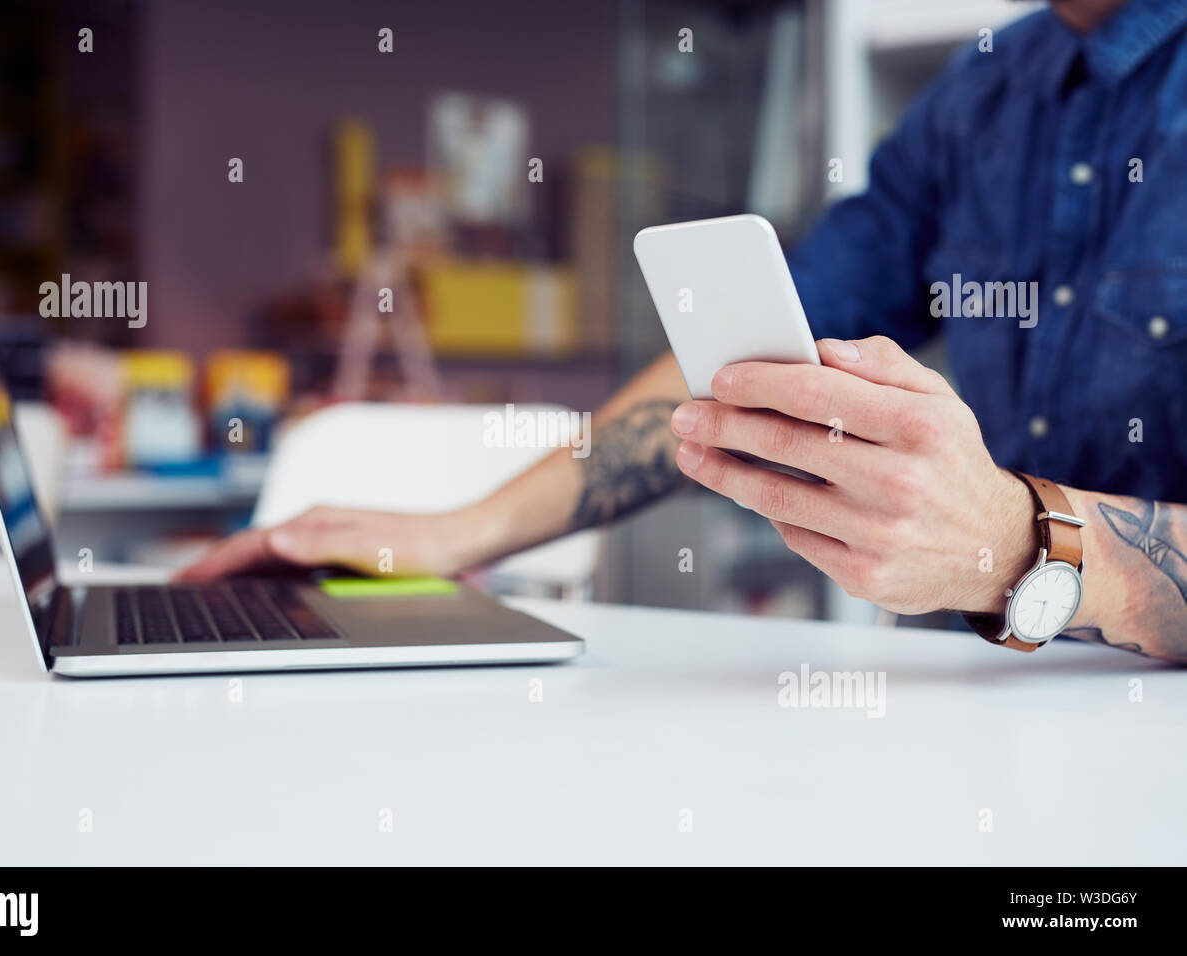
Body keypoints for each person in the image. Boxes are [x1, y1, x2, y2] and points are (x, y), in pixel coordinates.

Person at [180, 0, 1187, 662]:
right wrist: (455, 532)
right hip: (995, 714)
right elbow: (738, 371)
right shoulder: (979, 94)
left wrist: (1020, 543)